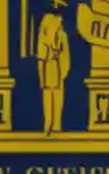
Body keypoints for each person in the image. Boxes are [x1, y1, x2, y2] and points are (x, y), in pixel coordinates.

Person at [36, 1, 71, 135]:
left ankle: (56, 124)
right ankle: (48, 123)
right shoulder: (45, 29)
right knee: (47, 94)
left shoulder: (63, 36)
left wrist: (63, 68)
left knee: (57, 94)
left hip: (57, 66)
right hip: (47, 65)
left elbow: (65, 54)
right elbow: (41, 50)